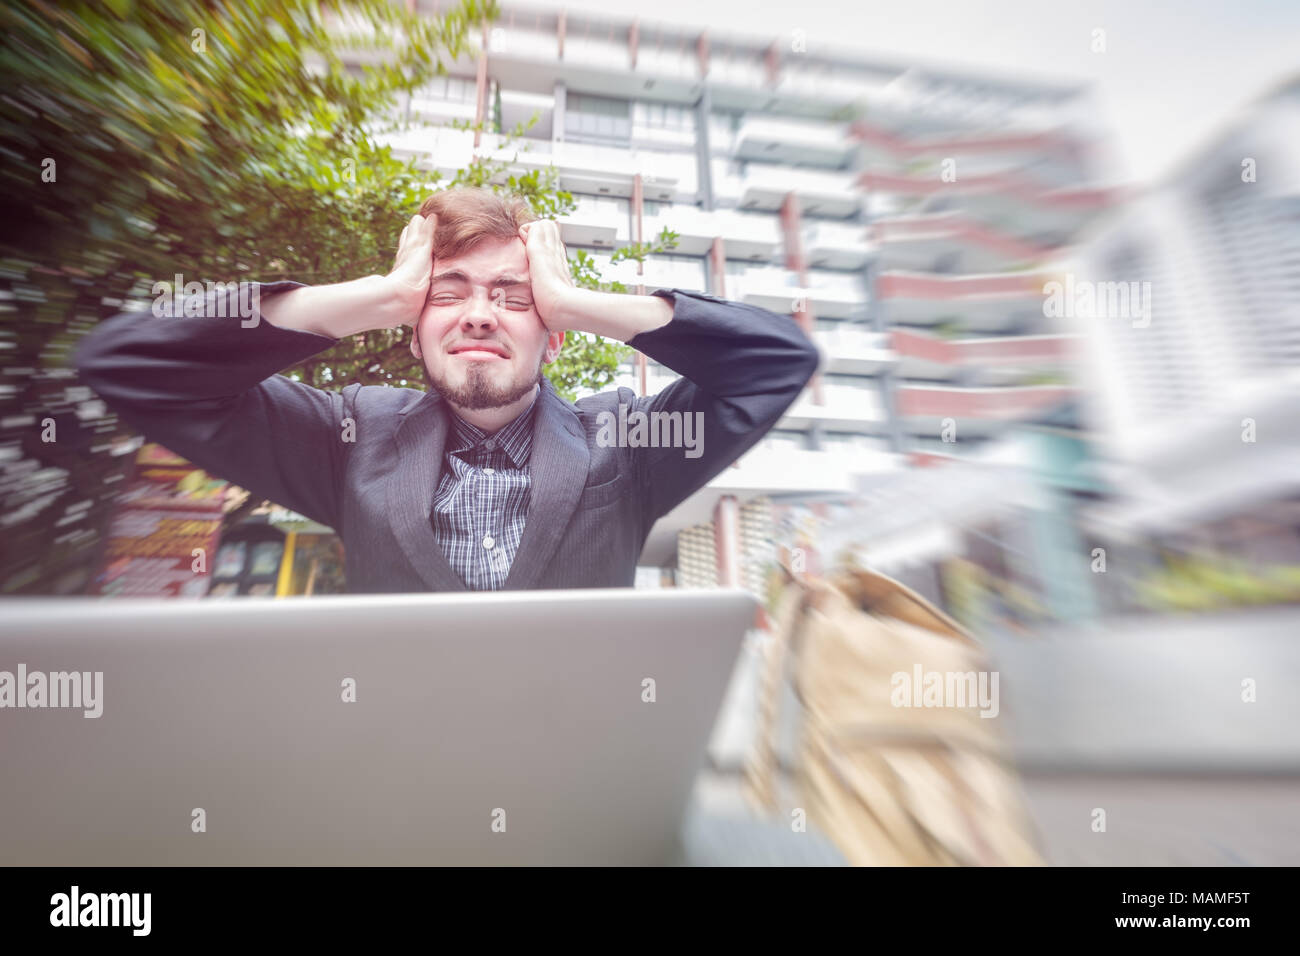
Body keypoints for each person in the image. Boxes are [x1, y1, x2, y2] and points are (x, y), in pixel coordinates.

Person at [74, 187, 820, 593]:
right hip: (396, 794)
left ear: (553, 334)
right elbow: (128, 363)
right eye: (447, 291)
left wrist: (577, 302)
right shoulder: (349, 439)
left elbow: (778, 361)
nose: (478, 313)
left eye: (513, 296)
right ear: (410, 326)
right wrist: (374, 295)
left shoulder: (627, 442)